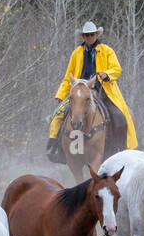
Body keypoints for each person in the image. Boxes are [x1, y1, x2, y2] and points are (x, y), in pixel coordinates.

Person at [46, 21, 137, 160]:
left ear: (96, 35)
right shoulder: (77, 53)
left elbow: (117, 69)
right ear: (83, 36)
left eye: (92, 35)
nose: (89, 37)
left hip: (102, 90)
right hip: (79, 90)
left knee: (120, 116)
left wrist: (107, 74)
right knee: (58, 114)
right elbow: (67, 77)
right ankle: (55, 147)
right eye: (87, 35)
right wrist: (60, 95)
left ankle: (120, 148)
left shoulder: (107, 50)